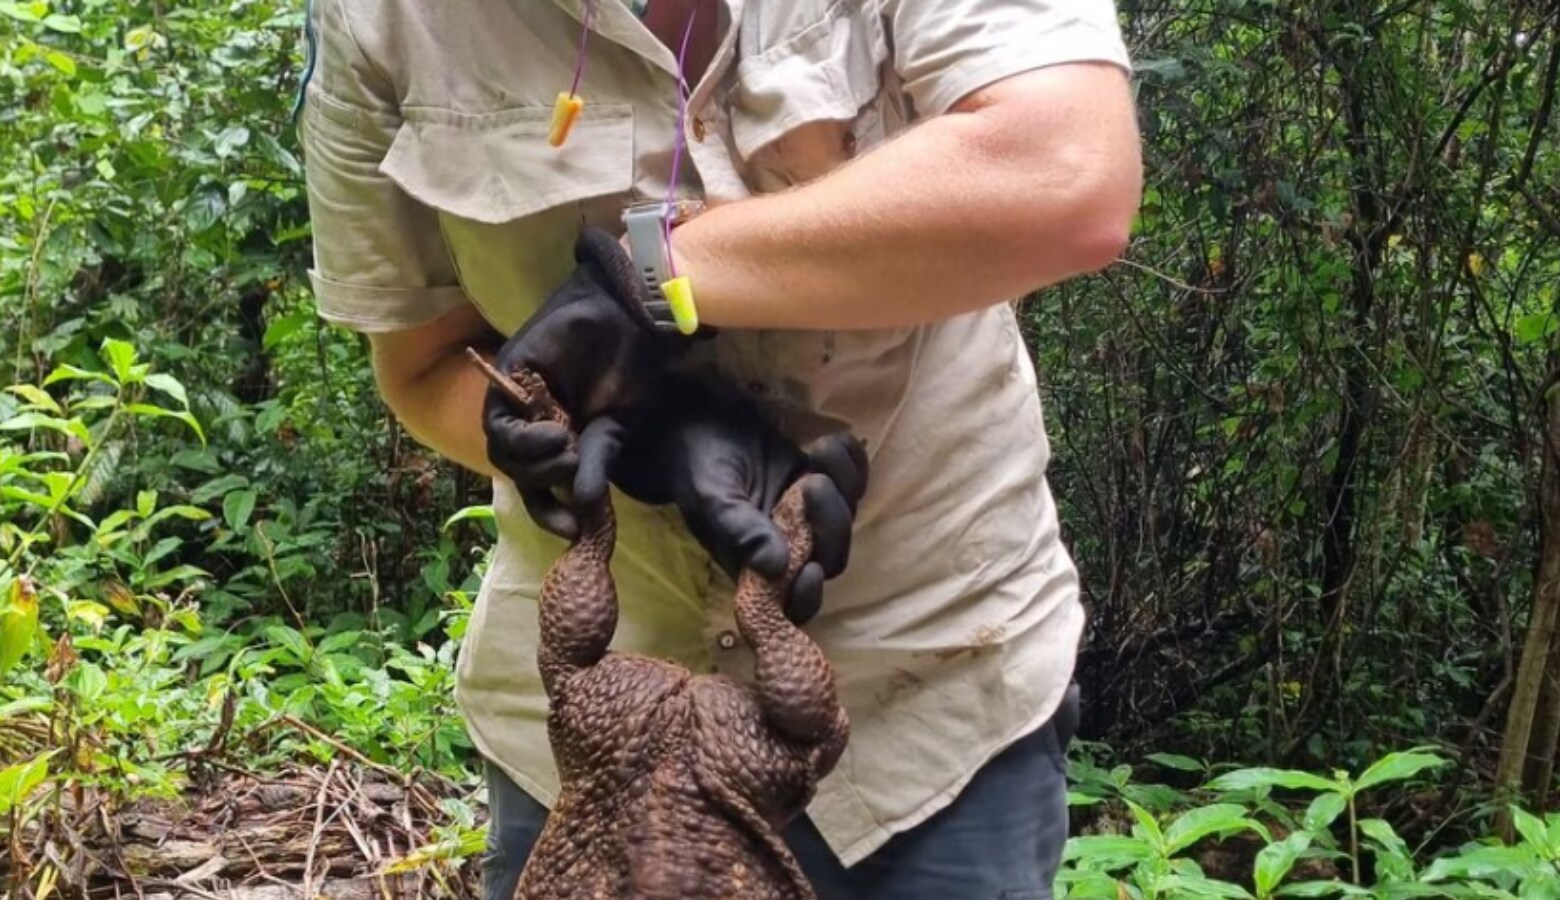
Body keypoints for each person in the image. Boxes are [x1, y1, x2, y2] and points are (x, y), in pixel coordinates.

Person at [294, 0, 1143, 897]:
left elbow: (1065, 173)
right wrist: (618, 442)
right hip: (591, 733)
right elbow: (424, 365)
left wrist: (647, 281)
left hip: (927, 691)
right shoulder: (381, 18)